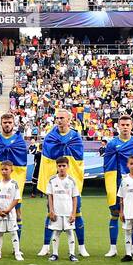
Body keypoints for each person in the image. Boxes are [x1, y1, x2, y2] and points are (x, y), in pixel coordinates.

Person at [37, 108, 88, 257]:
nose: (59, 120)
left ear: (69, 120)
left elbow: (78, 159)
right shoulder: (50, 137)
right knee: (51, 213)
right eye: (57, 118)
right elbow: (46, 160)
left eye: (62, 118)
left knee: (76, 213)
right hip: (55, 182)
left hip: (71, 182)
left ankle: (82, 246)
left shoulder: (75, 137)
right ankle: (46, 246)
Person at [102, 113, 133, 258]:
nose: (124, 127)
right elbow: (107, 165)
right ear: (118, 127)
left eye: (127, 125)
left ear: (132, 127)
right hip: (117, 182)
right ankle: (113, 247)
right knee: (114, 215)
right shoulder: (111, 144)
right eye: (122, 125)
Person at [0, 112, 28, 256]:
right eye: (5, 122)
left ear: (13, 123)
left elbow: (22, 163)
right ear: (1, 124)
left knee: (17, 212)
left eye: (10, 122)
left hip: (14, 184)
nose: (7, 125)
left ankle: (18, 246)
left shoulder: (20, 141)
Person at [45, 157, 79, 262]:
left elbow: (75, 197)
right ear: (56, 167)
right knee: (56, 232)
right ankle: (55, 254)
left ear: (68, 166)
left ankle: (72, 254)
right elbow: (50, 196)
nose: (61, 168)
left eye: (64, 166)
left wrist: (73, 213)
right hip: (56, 211)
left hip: (68, 212)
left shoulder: (71, 181)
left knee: (70, 232)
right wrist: (51, 210)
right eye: (59, 166)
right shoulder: (52, 180)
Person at [0, 161, 23, 261]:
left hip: (10, 214)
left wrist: (8, 210)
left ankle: (17, 253)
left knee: (13, 232)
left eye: (6, 169)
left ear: (11, 170)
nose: (4, 171)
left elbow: (16, 199)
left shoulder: (14, 184)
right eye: (2, 169)